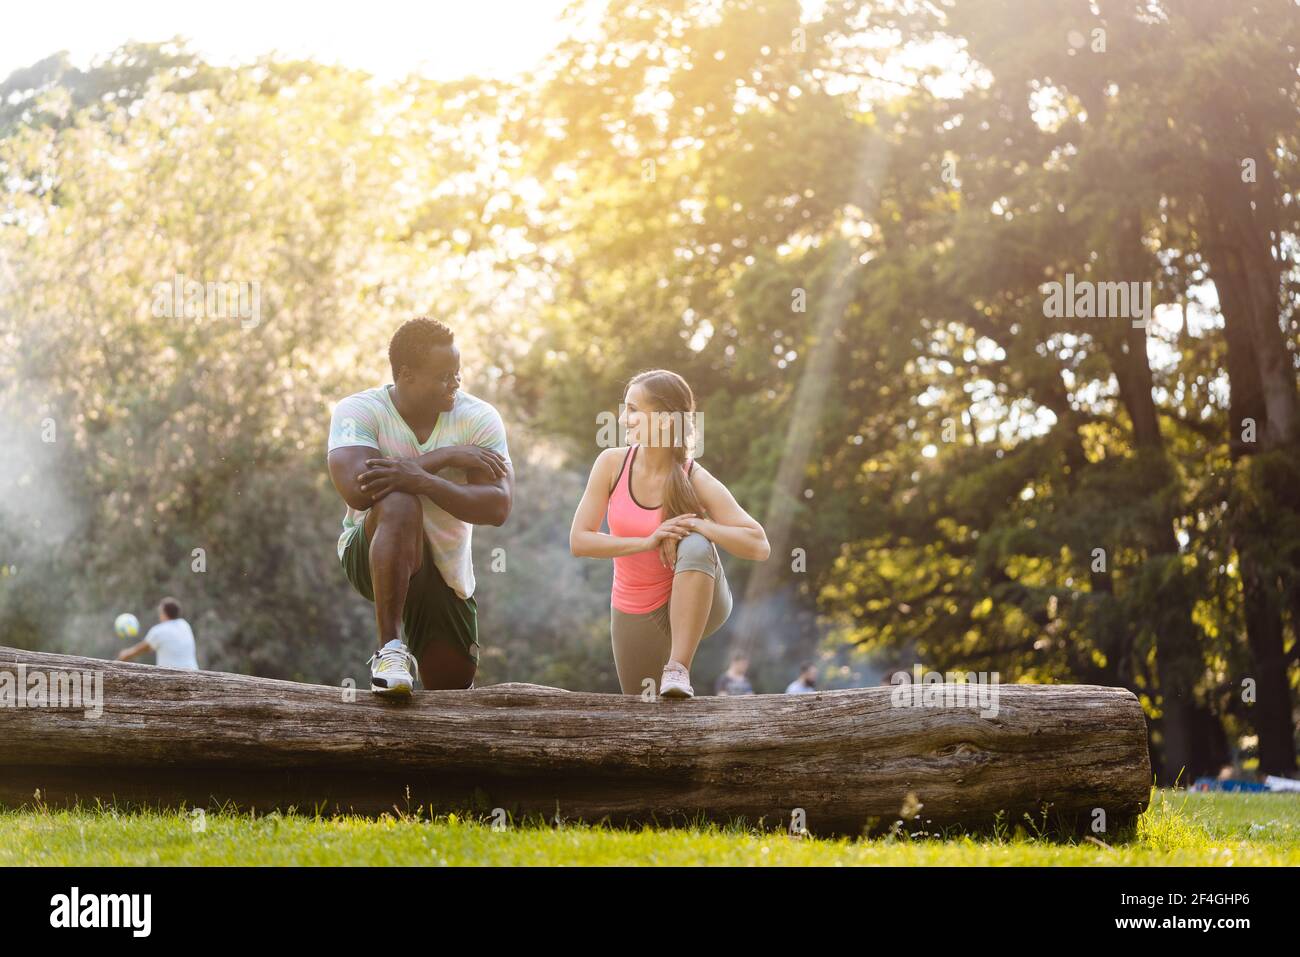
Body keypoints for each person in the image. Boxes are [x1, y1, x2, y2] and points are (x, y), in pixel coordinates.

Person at [326, 317, 514, 695]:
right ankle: (389, 650)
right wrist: (444, 457)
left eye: (458, 373)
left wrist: (424, 480)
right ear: (406, 375)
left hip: (446, 571)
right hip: (370, 554)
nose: (456, 384)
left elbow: (498, 507)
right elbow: (361, 491)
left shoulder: (478, 418)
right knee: (398, 500)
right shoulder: (359, 411)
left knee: (452, 697)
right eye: (444, 376)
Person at [570, 369, 769, 698]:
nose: (623, 419)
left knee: (695, 543)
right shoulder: (611, 464)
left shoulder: (694, 476)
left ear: (663, 420)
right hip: (636, 609)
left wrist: (697, 524)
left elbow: (758, 544)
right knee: (641, 713)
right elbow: (580, 540)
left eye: (634, 410)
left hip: (699, 599)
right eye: (625, 408)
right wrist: (647, 542)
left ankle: (678, 668)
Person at [117, 597, 199, 670]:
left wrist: (125, 654)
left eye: (160, 612)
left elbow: (142, 649)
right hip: (194, 673)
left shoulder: (159, 631)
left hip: (172, 678)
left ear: (164, 613)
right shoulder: (185, 625)